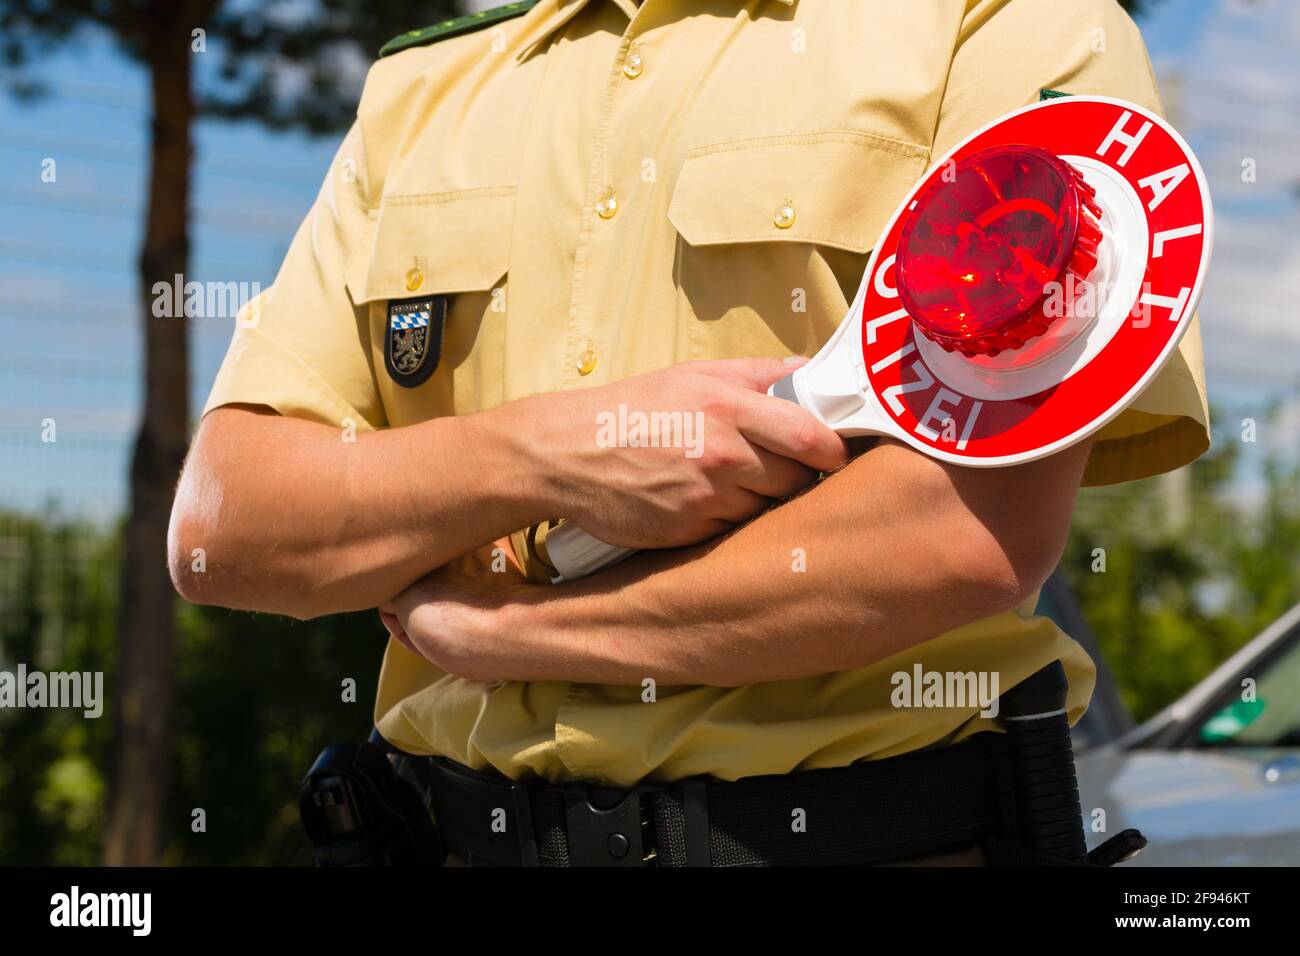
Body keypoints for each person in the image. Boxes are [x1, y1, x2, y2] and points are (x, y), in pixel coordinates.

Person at [170, 0, 1209, 866]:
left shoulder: (1004, 23)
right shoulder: (425, 87)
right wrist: (556, 450)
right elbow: (228, 523)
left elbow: (961, 531)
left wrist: (504, 633)